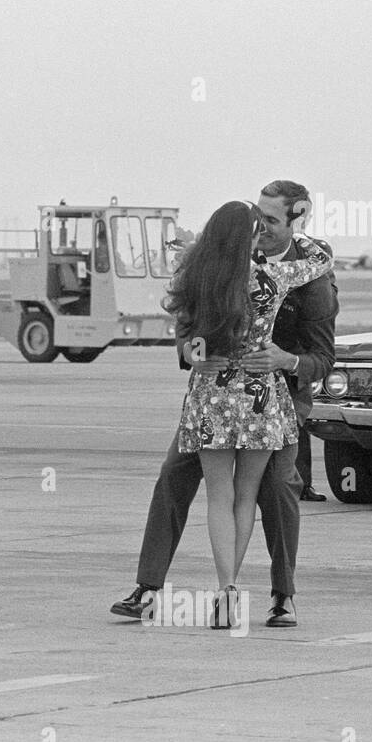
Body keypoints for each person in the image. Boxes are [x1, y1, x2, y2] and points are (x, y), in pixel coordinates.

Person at [111, 180, 338, 628]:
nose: (264, 226)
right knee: (174, 475)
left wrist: (288, 359)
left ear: (298, 217)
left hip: (278, 397)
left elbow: (323, 358)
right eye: (260, 216)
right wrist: (196, 353)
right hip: (242, 399)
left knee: (278, 488)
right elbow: (186, 340)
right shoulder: (269, 272)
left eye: (272, 219)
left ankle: (282, 595)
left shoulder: (303, 280)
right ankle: (150, 586)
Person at [167, 201, 332, 627]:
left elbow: (189, 338)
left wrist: (197, 354)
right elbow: (320, 259)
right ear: (254, 236)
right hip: (260, 393)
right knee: (246, 497)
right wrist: (299, 225)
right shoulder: (272, 277)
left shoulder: (195, 278)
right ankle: (235, 585)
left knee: (217, 496)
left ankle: (226, 589)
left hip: (211, 394)